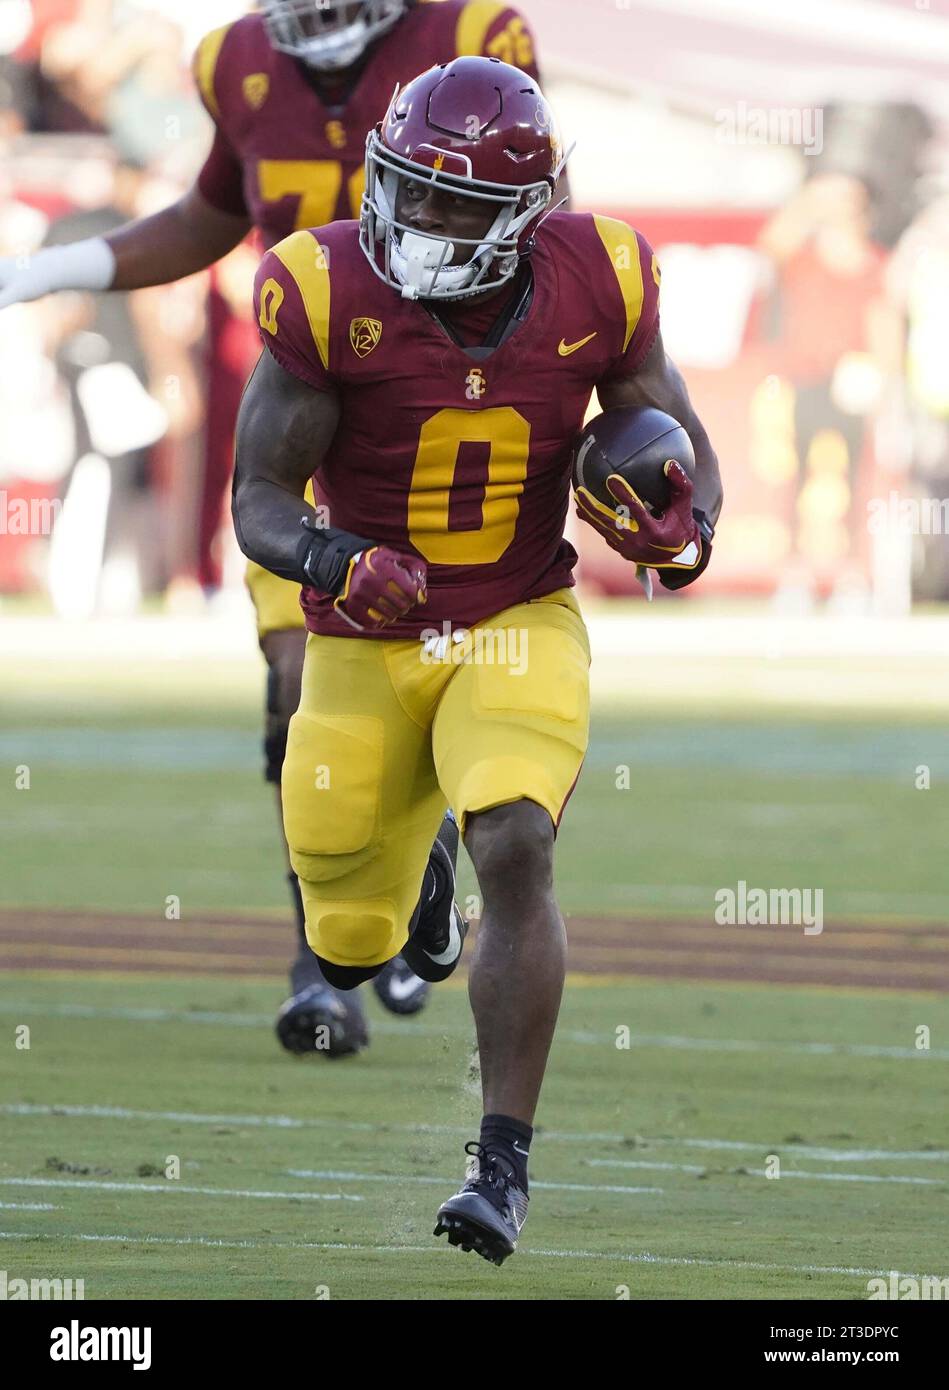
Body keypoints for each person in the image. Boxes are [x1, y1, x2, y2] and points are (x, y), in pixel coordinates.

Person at [232, 55, 722, 1264]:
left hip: (513, 617)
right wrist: (338, 558)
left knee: (518, 833)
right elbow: (256, 494)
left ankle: (499, 1161)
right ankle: (414, 892)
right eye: (409, 188)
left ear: (521, 215)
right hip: (363, 634)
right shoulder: (319, 286)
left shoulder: (598, 276)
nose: (423, 219)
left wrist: (688, 526)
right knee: (349, 937)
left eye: (456, 203)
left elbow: (674, 434)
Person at [0, 0, 549, 1057]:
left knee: (450, 670)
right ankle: (323, 964)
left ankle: (418, 861)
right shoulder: (237, 57)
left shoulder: (476, 31)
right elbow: (209, 215)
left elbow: (536, 216)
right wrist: (59, 267)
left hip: (439, 400)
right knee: (299, 682)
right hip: (308, 413)